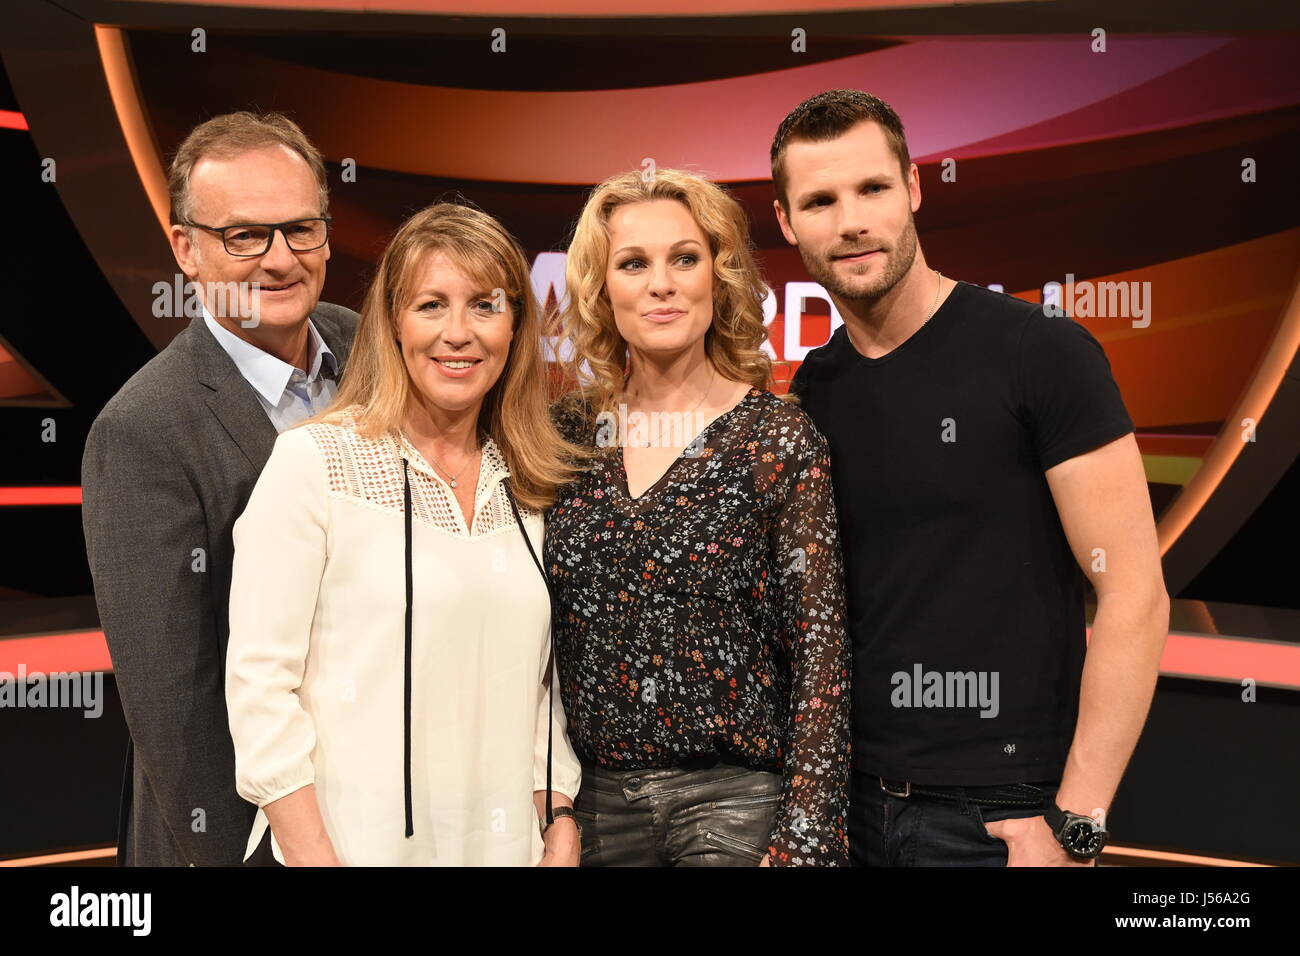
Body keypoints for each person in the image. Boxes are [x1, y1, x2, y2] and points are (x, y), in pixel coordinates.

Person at [772, 90, 1170, 866]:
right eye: (819, 201)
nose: (850, 221)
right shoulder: (814, 386)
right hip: (847, 808)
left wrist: (1076, 822)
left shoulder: (1040, 352)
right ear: (787, 224)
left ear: (914, 188)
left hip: (1000, 821)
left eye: (872, 189)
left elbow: (1134, 592)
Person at [224, 202, 583, 866]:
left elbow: (536, 688)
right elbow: (259, 689)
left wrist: (558, 816)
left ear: (516, 326)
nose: (458, 333)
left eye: (484, 305)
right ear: (392, 322)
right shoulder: (316, 463)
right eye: (430, 306)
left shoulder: (528, 483)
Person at [546, 168, 852, 866]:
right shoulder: (562, 436)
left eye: (685, 258)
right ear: (601, 289)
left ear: (719, 274)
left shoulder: (776, 441)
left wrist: (805, 839)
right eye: (633, 263)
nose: (662, 283)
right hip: (590, 811)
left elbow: (822, 657)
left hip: (736, 810)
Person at [81, 111, 358, 866]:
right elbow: (173, 705)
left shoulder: (374, 350)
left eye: (301, 228)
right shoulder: (141, 432)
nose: (279, 259)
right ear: (186, 250)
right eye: (244, 236)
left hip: (377, 809)